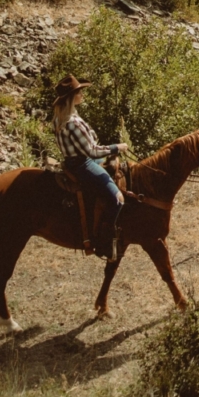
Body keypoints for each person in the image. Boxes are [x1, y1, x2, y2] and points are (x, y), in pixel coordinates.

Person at [51, 75, 128, 259]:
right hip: (83, 164)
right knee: (117, 199)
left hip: (71, 162)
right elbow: (92, 151)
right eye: (79, 92)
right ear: (72, 97)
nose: (82, 94)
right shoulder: (74, 123)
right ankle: (105, 242)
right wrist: (117, 147)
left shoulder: (59, 119)